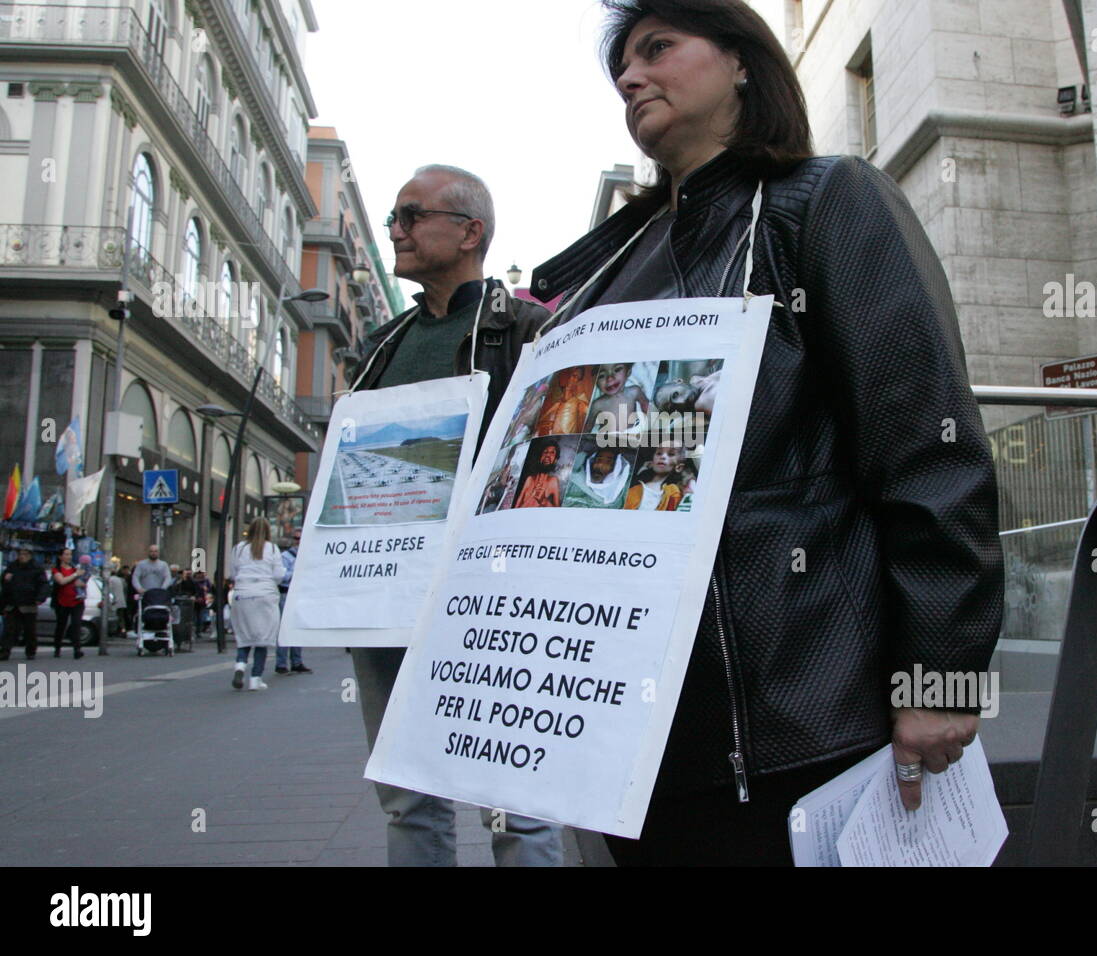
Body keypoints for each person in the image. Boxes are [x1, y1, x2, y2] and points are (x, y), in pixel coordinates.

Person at [527, 0, 1003, 865]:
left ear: (743, 62)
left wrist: (944, 675)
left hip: (803, 719)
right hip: (634, 736)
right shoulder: (601, 276)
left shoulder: (823, 201)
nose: (631, 78)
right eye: (620, 69)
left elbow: (928, 443)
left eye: (658, 48)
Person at [346, 164, 562, 866]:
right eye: (394, 220)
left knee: (514, 798)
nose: (396, 231)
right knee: (407, 796)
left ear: (470, 232)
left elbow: (552, 455)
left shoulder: (528, 328)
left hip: (493, 594)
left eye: (412, 216)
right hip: (386, 597)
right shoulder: (381, 345)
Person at [228, 517, 285, 691]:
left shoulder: (239, 548)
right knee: (263, 639)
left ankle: (240, 665)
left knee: (244, 637)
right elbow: (278, 575)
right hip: (265, 594)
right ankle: (255, 678)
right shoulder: (273, 549)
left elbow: (233, 573)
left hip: (242, 594)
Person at [1, 548, 47, 661]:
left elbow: (43, 585)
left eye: (25, 554)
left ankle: (30, 651)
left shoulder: (37, 568)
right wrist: (4, 578)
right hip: (13, 603)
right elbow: (4, 582)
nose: (22, 556)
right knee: (9, 629)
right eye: (20, 554)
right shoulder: (13, 566)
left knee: (29, 630)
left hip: (28, 603)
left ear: (30, 556)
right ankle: (5, 651)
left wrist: (40, 598)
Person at [275, 529, 310, 675]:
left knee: (298, 628)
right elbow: (281, 576)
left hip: (301, 594)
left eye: (301, 539)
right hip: (287, 593)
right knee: (285, 628)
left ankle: (297, 661)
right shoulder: (285, 556)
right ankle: (281, 663)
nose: (299, 541)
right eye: (296, 539)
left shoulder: (308, 556)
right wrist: (296, 572)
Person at [50, 548, 88, 659]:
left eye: (70, 554)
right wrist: (75, 575)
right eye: (66, 554)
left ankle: (77, 649)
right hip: (62, 602)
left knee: (76, 624)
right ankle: (57, 648)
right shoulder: (56, 569)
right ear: (60, 557)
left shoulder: (75, 568)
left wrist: (82, 584)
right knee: (61, 625)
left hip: (77, 601)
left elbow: (82, 582)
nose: (69, 557)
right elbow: (61, 581)